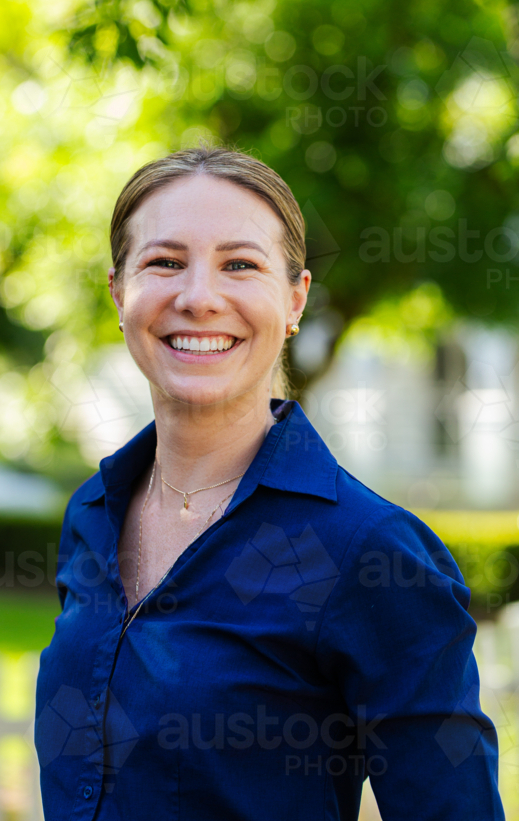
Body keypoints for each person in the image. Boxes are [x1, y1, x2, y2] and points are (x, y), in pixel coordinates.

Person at [35, 146, 504, 821]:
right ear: (118, 292)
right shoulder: (92, 515)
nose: (198, 297)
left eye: (239, 265)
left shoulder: (370, 553)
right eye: (164, 262)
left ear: (293, 300)